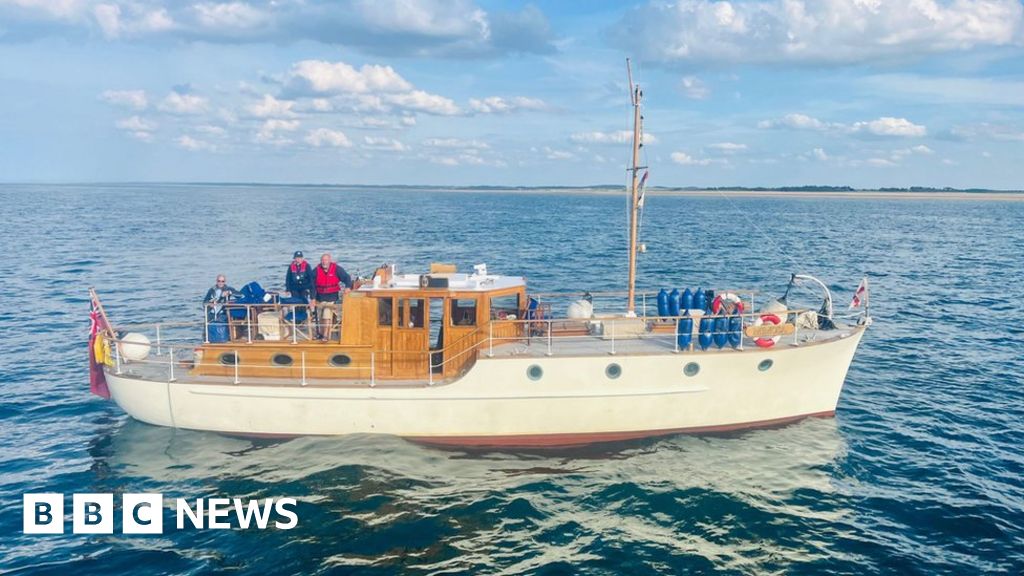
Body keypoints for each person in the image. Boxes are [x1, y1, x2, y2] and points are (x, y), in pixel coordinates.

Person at [313, 252, 353, 341]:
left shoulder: (337, 269)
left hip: (332, 297)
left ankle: (326, 336)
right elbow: (311, 282)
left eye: (326, 260)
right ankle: (320, 333)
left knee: (326, 315)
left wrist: (348, 287)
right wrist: (312, 296)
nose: (324, 262)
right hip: (320, 297)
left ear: (330, 260)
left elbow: (347, 278)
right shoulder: (316, 270)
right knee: (320, 316)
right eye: (322, 260)